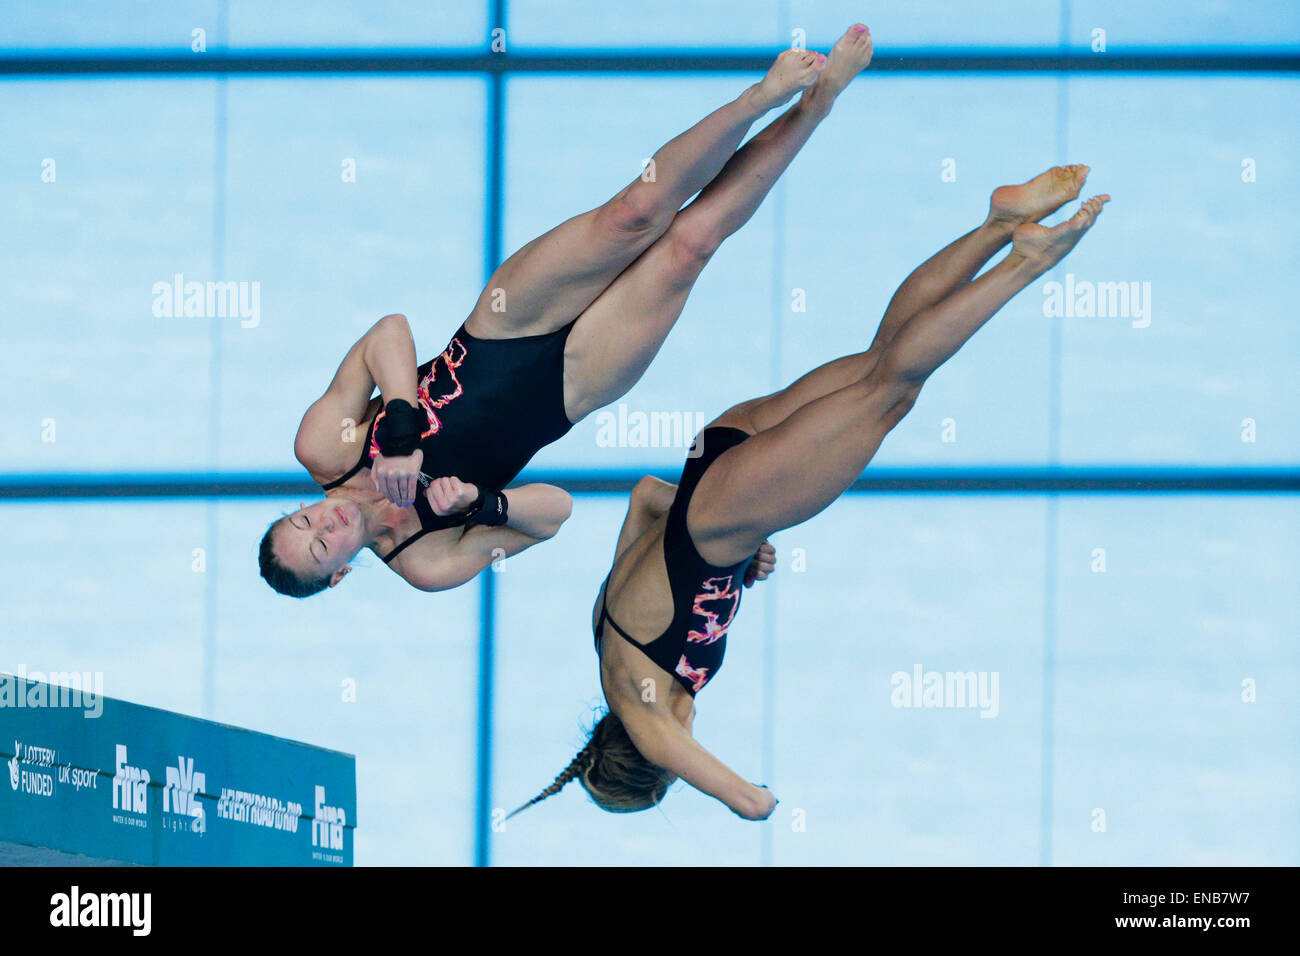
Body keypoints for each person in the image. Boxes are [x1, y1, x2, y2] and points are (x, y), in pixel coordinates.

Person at [511, 167, 1109, 819]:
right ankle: (998, 223)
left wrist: (737, 533)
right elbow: (650, 497)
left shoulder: (650, 713)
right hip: (721, 454)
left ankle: (1023, 263)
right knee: (884, 358)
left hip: (728, 509)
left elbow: (752, 803)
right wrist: (741, 556)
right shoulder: (604, 639)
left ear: (657, 765)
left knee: (893, 391)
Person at [261, 26, 876, 597]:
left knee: (633, 214)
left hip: (499, 329)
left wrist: (398, 429)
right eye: (321, 546)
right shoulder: (426, 560)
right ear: (340, 572)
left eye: (304, 519)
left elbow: (387, 333)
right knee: (689, 247)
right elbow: (555, 513)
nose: (326, 522)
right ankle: (815, 108)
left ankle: (758, 97)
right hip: (570, 387)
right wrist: (482, 503)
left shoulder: (324, 449)